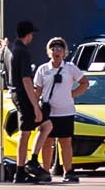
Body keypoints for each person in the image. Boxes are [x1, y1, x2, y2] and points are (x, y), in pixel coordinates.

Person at [3, 18, 49, 182]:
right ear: (28, 35)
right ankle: (24, 168)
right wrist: (36, 106)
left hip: (15, 93)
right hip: (23, 94)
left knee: (40, 127)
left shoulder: (10, 49)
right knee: (30, 131)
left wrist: (2, 46)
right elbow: (26, 80)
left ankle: (27, 165)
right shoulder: (23, 52)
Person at [33, 35, 84, 182]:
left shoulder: (70, 68)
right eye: (54, 48)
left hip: (66, 111)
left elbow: (84, 83)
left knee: (65, 141)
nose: (57, 51)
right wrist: (35, 107)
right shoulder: (43, 69)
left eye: (60, 48)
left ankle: (68, 171)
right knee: (47, 142)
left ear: (64, 52)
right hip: (48, 111)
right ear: (49, 52)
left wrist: (72, 94)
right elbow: (37, 90)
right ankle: (45, 172)